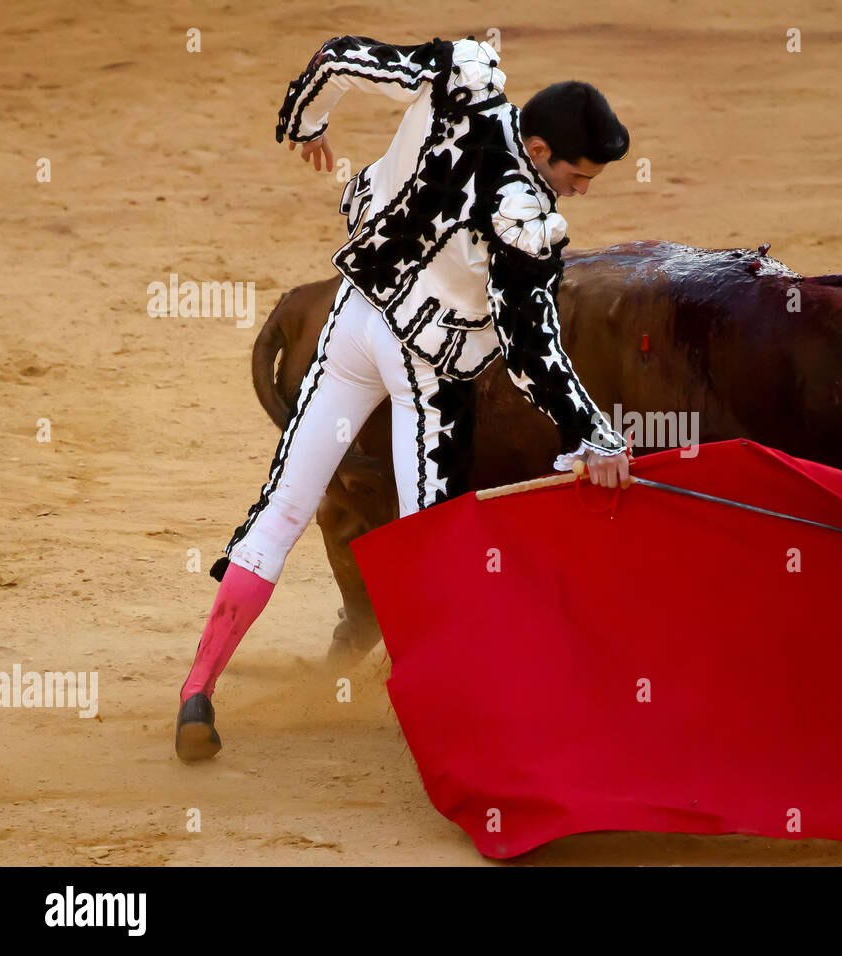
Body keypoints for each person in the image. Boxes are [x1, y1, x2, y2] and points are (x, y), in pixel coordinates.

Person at [175, 34, 632, 761]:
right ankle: (454, 734)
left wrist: (306, 120)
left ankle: (196, 692)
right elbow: (529, 346)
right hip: (429, 371)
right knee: (433, 548)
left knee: (282, 510)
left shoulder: (460, 79)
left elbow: (340, 57)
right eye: (578, 175)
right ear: (539, 149)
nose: (582, 190)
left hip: (354, 323)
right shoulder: (524, 217)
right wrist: (594, 435)